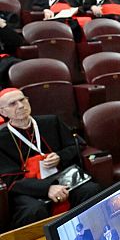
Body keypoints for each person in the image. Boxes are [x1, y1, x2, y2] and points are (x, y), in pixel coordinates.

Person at [0, 88, 99, 231]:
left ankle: (89, 231)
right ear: (3, 112)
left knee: (91, 190)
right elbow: (11, 181)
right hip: (29, 188)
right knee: (34, 210)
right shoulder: (2, 139)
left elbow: (78, 145)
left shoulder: (51, 122)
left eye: (22, 100)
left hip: (60, 176)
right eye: (13, 104)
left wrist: (60, 156)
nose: (21, 105)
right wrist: (47, 189)